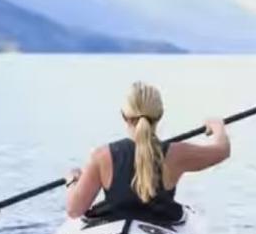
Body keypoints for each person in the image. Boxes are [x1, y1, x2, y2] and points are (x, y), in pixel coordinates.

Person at [64, 81, 230, 221]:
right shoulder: (177, 154)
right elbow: (222, 150)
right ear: (160, 114)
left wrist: (73, 180)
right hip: (161, 230)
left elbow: (74, 210)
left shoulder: (102, 156)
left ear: (123, 116)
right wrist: (217, 126)